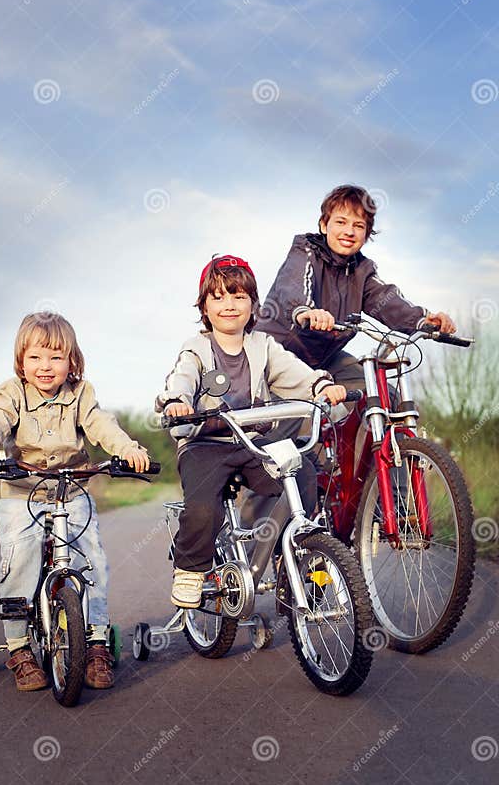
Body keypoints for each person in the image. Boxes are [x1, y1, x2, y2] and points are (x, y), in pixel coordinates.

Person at [0, 312, 150, 692]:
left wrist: (128, 449)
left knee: (91, 557)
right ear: (21, 361)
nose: (45, 366)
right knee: (21, 556)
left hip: (71, 490)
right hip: (21, 489)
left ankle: (96, 642)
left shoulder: (81, 395)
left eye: (55, 357)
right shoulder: (12, 393)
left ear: (72, 362)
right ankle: (18, 647)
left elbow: (102, 426)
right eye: (35, 357)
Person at [155, 255, 346, 609]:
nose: (229, 305)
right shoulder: (196, 348)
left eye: (239, 296)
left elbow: (296, 373)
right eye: (219, 296)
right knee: (202, 508)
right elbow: (181, 379)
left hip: (253, 442)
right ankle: (191, 568)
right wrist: (177, 403)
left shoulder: (263, 346)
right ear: (204, 307)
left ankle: (298, 558)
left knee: (300, 473)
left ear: (253, 304)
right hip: (206, 443)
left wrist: (320, 386)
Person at [256, 184, 456, 389]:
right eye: (341, 222)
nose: (349, 232)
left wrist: (424, 320)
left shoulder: (362, 271)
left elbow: (386, 299)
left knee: (380, 394)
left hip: (323, 359)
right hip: (276, 355)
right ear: (324, 225)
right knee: (301, 414)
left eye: (358, 226)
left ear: (366, 234)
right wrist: (305, 311)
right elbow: (294, 284)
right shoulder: (305, 251)